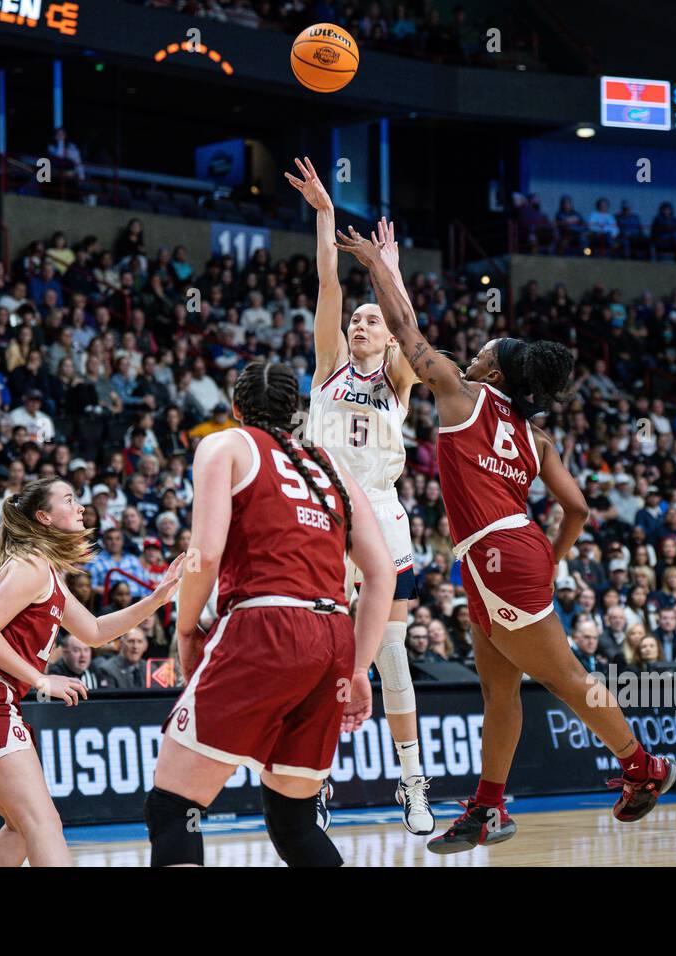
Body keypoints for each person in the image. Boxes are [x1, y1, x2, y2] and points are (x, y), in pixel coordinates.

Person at [337, 219, 676, 855]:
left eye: (487, 347)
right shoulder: (533, 435)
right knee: (499, 689)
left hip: (497, 555)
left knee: (570, 679)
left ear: (495, 366)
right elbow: (576, 507)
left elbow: (405, 332)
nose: (475, 351)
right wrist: (551, 557)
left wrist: (373, 264)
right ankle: (489, 807)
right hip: (507, 552)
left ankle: (644, 767)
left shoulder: (460, 394)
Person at [146, 361, 392, 868]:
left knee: (174, 807)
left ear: (236, 409)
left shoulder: (225, 445)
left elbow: (205, 554)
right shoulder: (332, 465)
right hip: (333, 639)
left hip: (268, 626)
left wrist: (186, 627)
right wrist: (358, 667)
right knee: (294, 820)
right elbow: (382, 575)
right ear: (296, 412)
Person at [0, 476, 183, 867]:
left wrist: (156, 597)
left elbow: (95, 632)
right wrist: (41, 678)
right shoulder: (31, 565)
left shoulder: (45, 572)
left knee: (21, 826)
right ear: (44, 517)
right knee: (43, 823)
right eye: (70, 499)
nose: (81, 507)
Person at [286, 156, 431, 835]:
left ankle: (411, 781)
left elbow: (409, 328)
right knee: (319, 656)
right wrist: (323, 214)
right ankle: (312, 781)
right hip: (323, 520)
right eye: (360, 320)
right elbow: (325, 282)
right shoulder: (327, 367)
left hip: (382, 518)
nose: (364, 325)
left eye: (372, 320)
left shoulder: (398, 379)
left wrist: (390, 273)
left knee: (393, 655)